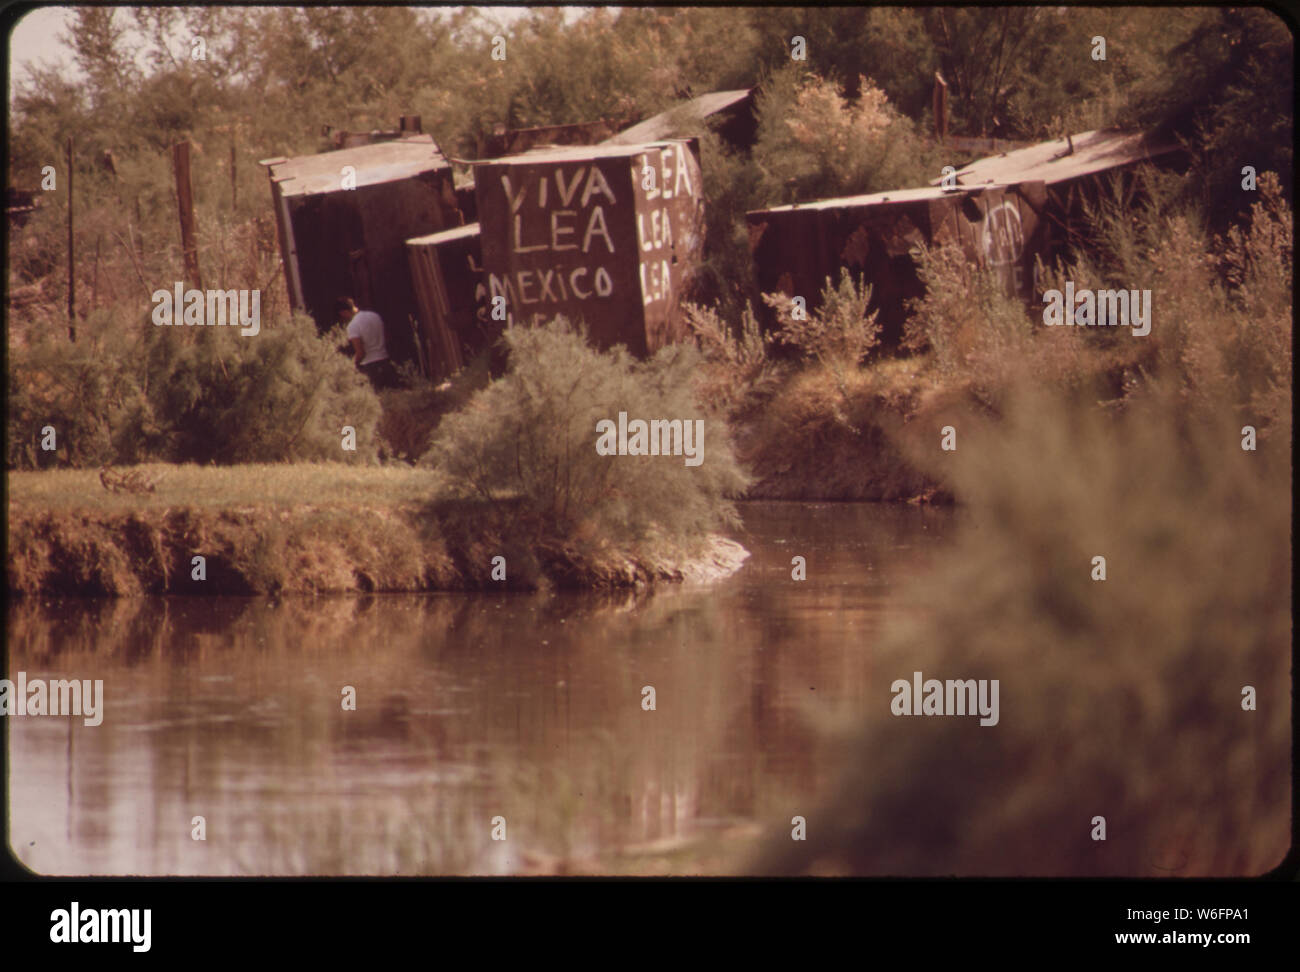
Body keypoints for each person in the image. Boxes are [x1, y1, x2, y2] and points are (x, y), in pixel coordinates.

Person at [335, 297, 399, 390]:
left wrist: (350, 366)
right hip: (386, 362)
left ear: (343, 313)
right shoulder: (375, 316)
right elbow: (387, 338)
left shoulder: (353, 326)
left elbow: (360, 353)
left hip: (371, 367)